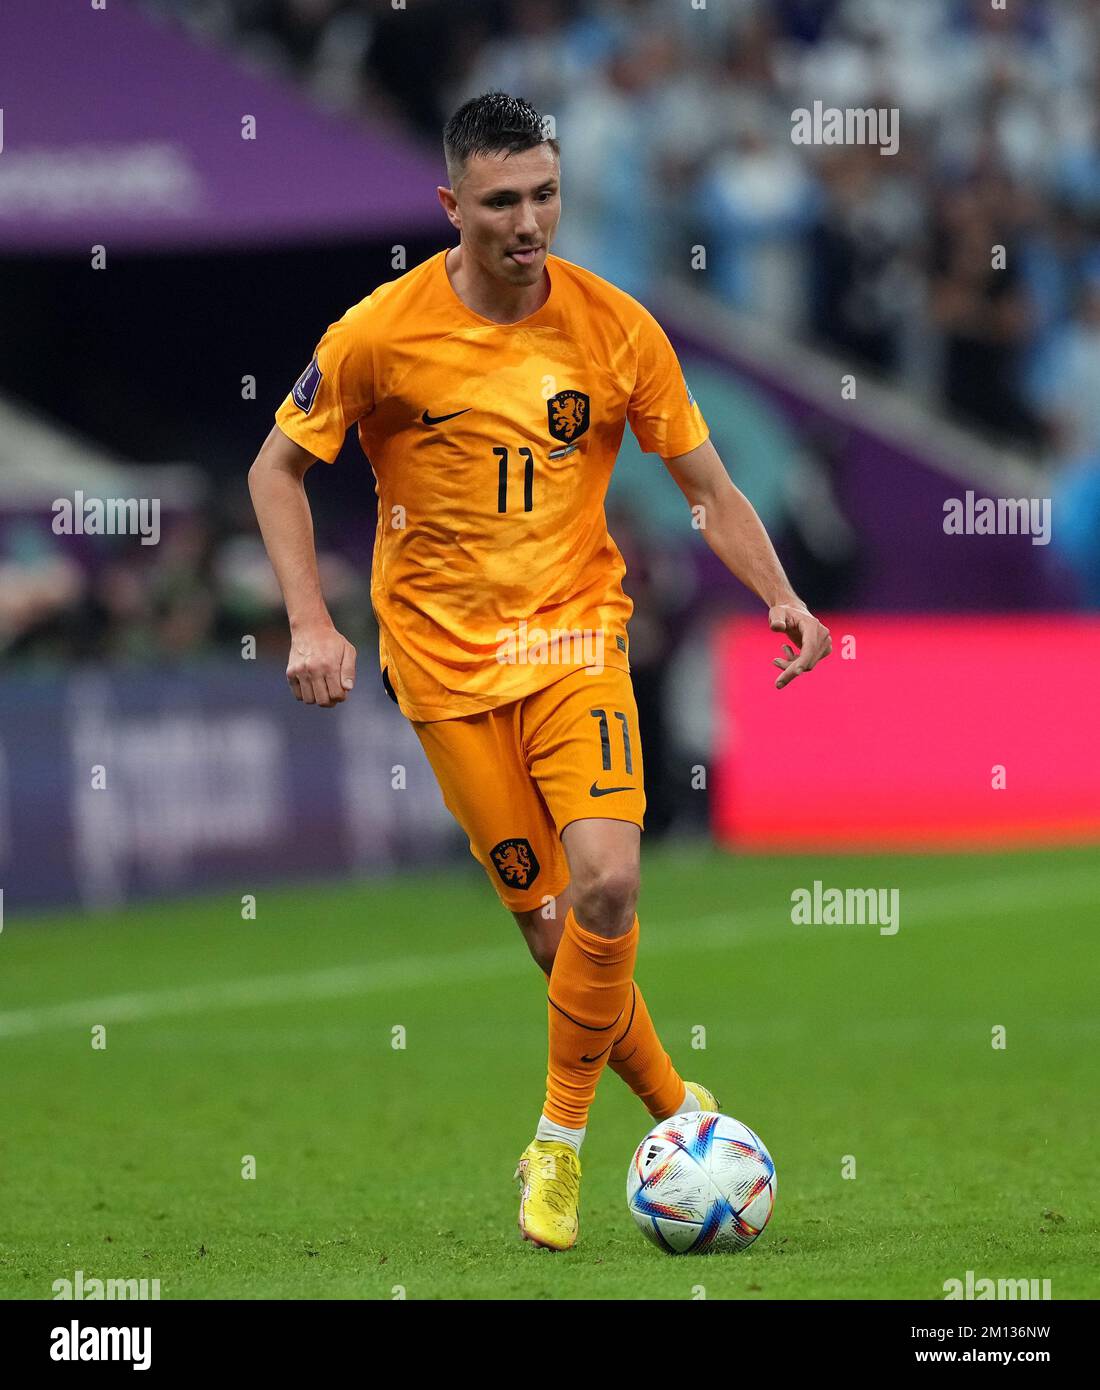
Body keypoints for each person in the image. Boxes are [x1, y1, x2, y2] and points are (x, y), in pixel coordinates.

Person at [248, 91, 831, 1251]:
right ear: (450, 203)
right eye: (503, 199)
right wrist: (311, 623)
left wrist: (777, 591)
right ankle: (679, 1115)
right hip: (443, 671)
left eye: (544, 194)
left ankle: (555, 1147)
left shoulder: (616, 327)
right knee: (556, 937)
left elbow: (705, 489)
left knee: (609, 884)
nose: (528, 220)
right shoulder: (378, 334)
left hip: (575, 642)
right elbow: (275, 471)